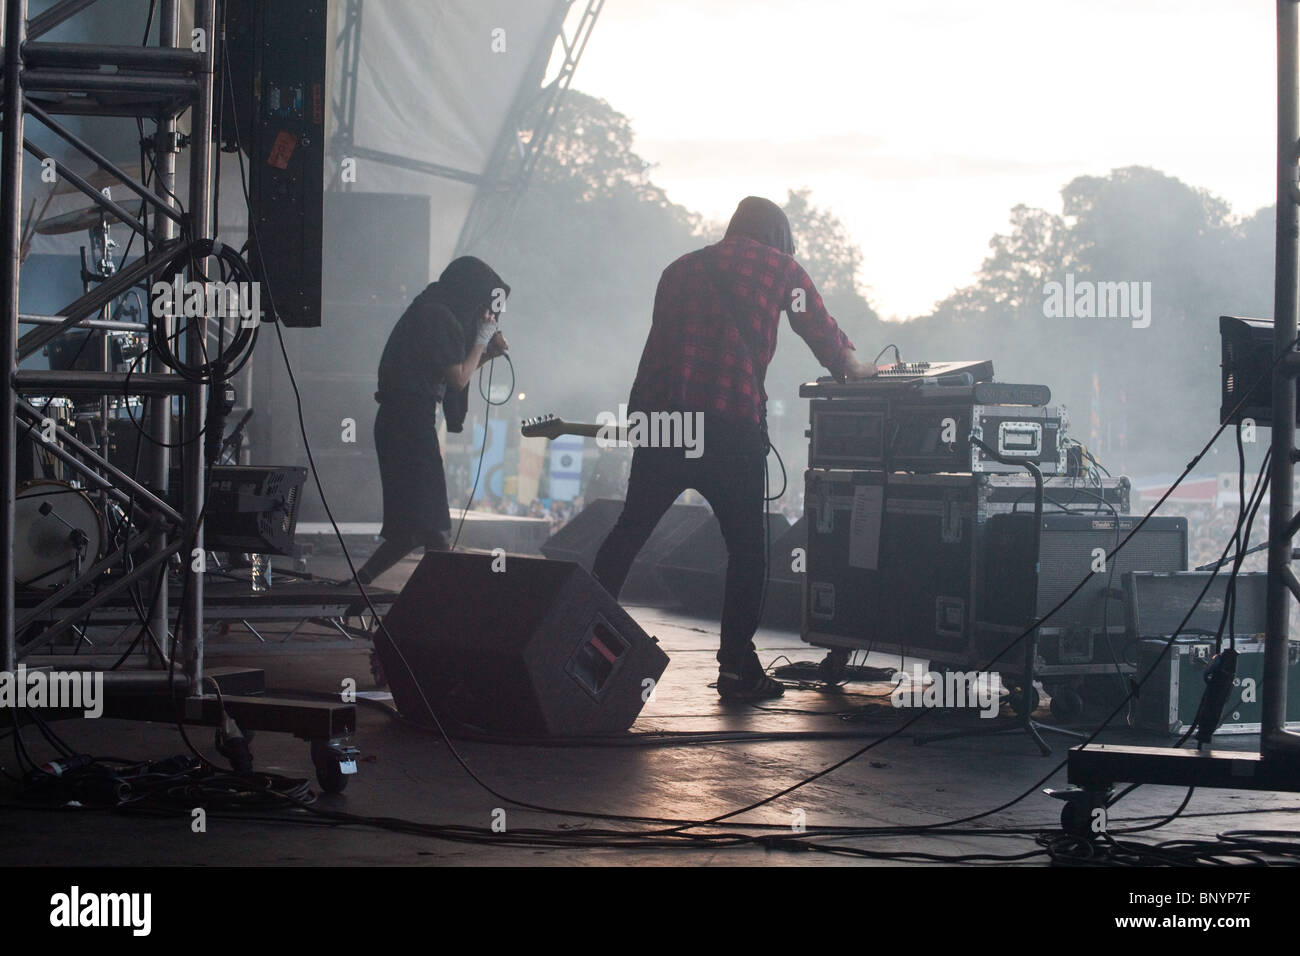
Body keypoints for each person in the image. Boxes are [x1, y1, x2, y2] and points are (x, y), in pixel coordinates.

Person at [591, 196, 876, 701]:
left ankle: (580, 636)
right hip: (731, 426)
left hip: (667, 424)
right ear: (779, 237)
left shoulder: (679, 269)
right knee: (748, 552)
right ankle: (735, 671)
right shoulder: (784, 270)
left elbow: (653, 353)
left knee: (627, 534)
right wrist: (872, 371)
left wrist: (639, 421)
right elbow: (835, 352)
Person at [355, 256, 510, 586]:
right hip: (407, 424)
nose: (486, 313)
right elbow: (457, 380)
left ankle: (357, 589)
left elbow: (457, 373)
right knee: (432, 528)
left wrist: (486, 353)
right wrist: (482, 339)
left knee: (418, 530)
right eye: (484, 304)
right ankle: (444, 607)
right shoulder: (438, 317)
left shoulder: (435, 309)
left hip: (404, 422)